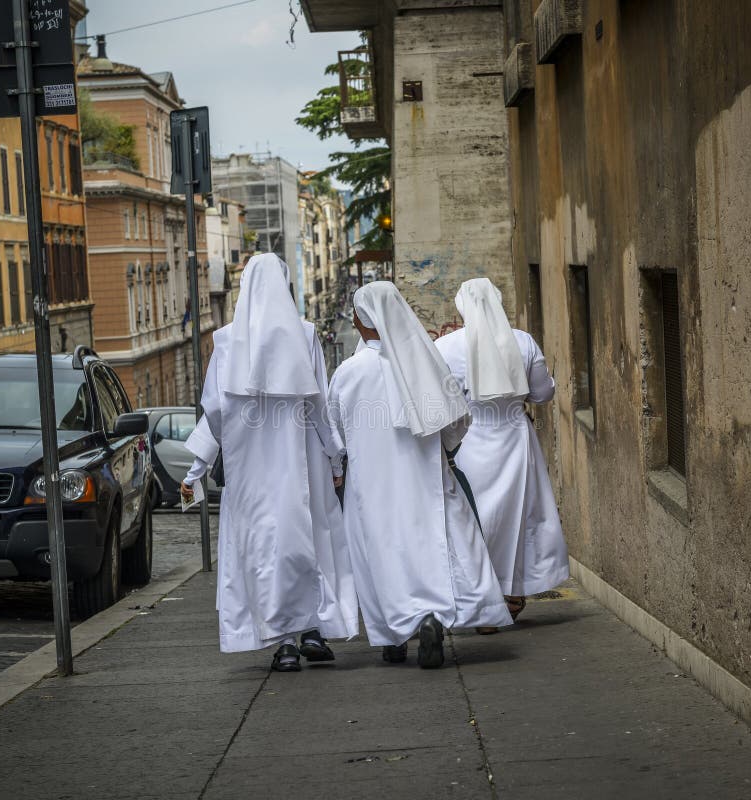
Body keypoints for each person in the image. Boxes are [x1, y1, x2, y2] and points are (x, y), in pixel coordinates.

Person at [180, 253, 358, 672]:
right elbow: (317, 404)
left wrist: (197, 469)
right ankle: (312, 629)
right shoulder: (306, 334)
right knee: (309, 543)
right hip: (302, 466)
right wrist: (335, 457)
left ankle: (283, 643)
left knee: (264, 550)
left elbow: (215, 414)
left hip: (251, 474)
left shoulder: (225, 342)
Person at [328, 281, 511, 668]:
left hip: (372, 483)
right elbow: (459, 419)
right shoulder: (424, 362)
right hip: (424, 475)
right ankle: (432, 616)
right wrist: (444, 449)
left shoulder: (348, 373)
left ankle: (393, 635)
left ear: (363, 321)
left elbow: (336, 434)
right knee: (436, 545)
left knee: (379, 552)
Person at [435, 278, 569, 632]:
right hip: (514, 438)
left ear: (461, 308)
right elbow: (542, 394)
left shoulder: (447, 346)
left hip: (470, 440)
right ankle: (510, 594)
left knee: (477, 518)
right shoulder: (522, 341)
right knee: (518, 516)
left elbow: (440, 402)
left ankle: (483, 597)